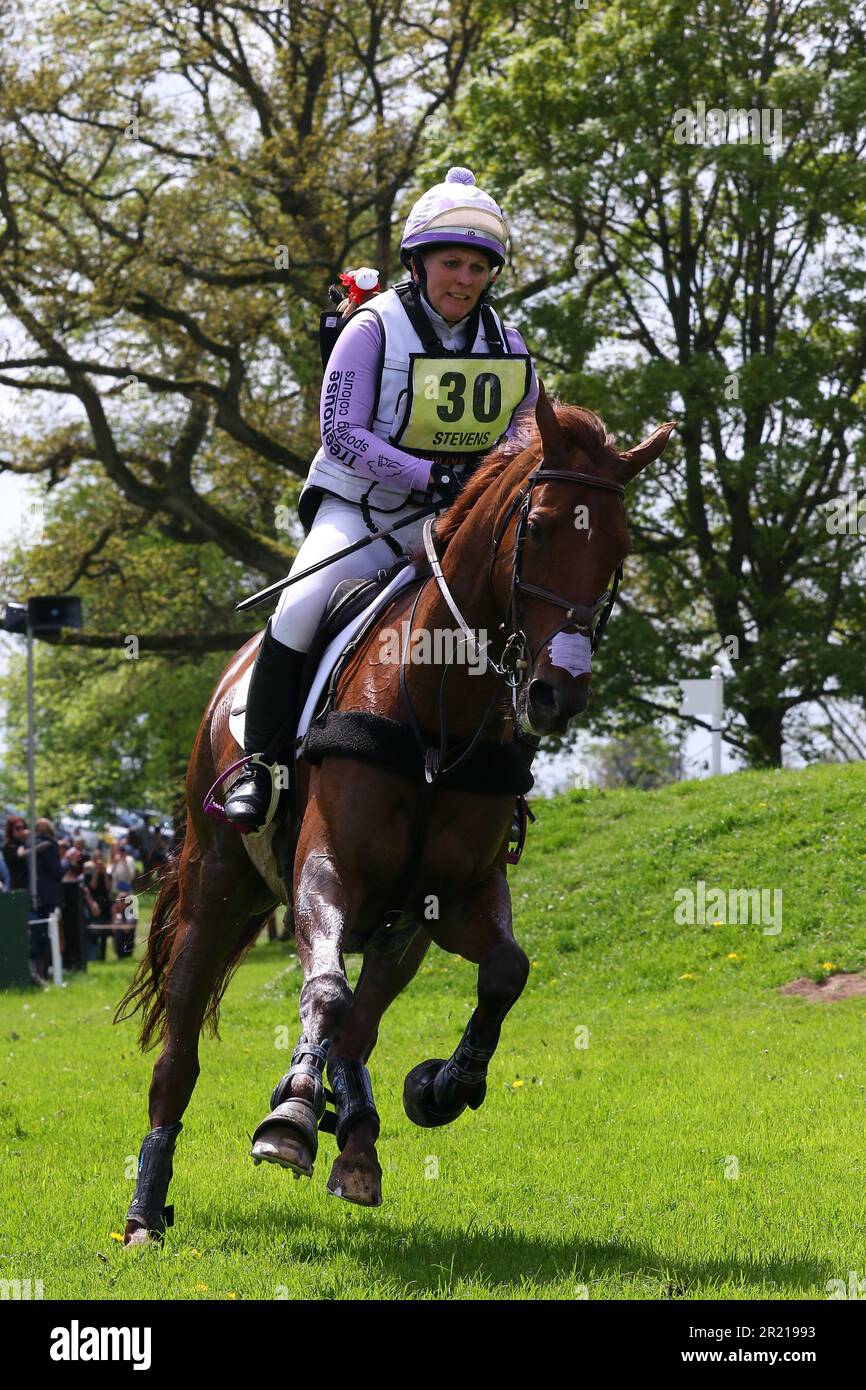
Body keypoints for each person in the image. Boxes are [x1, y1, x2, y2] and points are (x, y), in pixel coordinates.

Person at [222, 165, 539, 833]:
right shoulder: (372, 328)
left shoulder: (505, 345)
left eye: (480, 268)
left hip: (452, 525)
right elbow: (340, 434)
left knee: (519, 618)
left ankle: (501, 783)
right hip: (362, 514)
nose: (465, 279)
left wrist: (492, 475)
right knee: (299, 605)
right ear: (419, 263)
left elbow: (526, 426)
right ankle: (258, 765)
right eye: (452, 263)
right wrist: (428, 476)